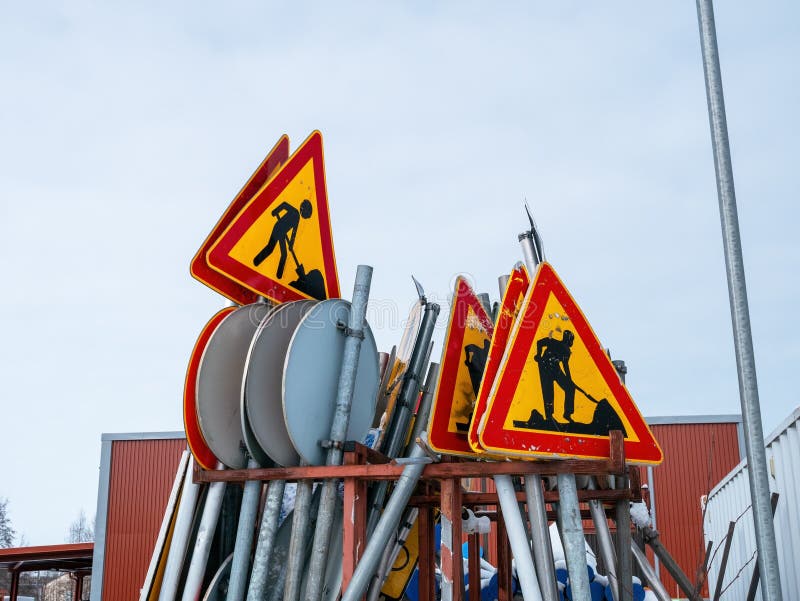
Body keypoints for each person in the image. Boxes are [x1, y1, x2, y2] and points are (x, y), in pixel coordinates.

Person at [253, 199, 313, 278]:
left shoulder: (297, 218)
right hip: (278, 229)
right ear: (304, 210)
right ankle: (256, 262)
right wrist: (275, 211)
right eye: (306, 214)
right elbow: (284, 205)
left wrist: (291, 244)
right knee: (270, 248)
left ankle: (279, 276)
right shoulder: (295, 212)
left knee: (283, 254)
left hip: (282, 233)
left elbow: (294, 232)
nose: (305, 217)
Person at [534, 330, 576, 422]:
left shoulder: (567, 351)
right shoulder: (553, 342)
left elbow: (565, 365)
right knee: (548, 393)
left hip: (556, 370)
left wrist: (569, 380)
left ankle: (567, 413)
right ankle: (549, 416)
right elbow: (539, 342)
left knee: (570, 388)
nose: (571, 342)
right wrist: (538, 355)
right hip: (545, 368)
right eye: (571, 340)